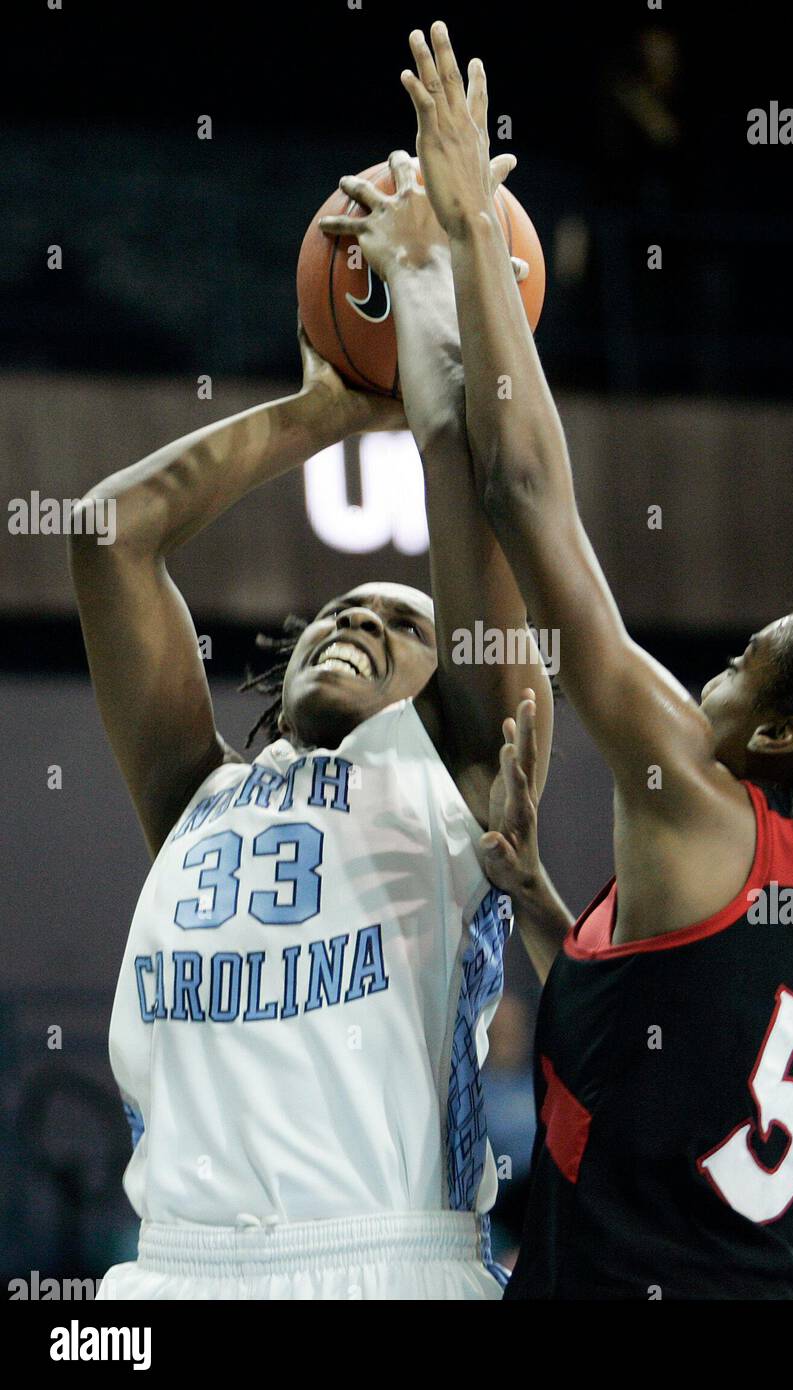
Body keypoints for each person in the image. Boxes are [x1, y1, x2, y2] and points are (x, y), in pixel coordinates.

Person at [379, 21, 793, 1298]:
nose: (708, 670)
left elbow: (528, 490)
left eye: (741, 665)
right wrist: (543, 899)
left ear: (776, 738)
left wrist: (473, 218)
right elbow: (671, 1056)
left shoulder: (698, 799)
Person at [69, 167, 553, 1297]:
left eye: (402, 623)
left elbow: (486, 513)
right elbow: (107, 536)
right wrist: (323, 412)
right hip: (171, 1271)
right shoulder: (199, 788)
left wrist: (436, 345)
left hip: (381, 1261)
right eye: (338, 614)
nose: (359, 623)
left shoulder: (460, 778)